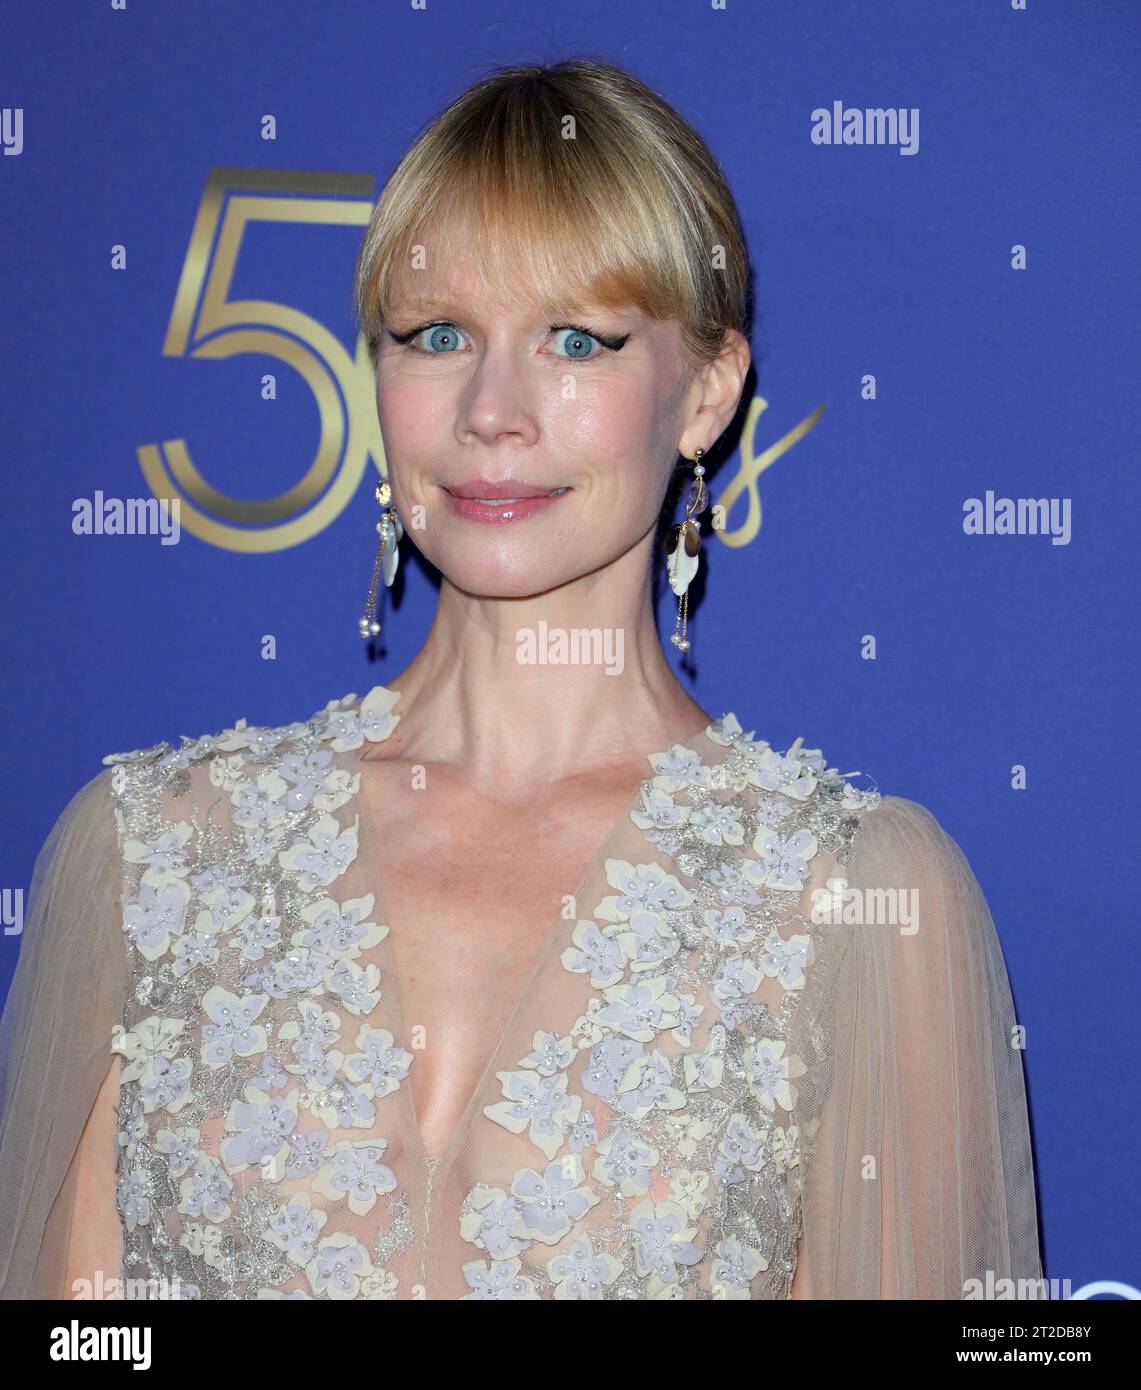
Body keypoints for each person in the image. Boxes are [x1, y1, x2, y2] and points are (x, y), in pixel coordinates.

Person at [0, 58, 1041, 1300]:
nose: (493, 410)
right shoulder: (150, 855)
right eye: (438, 336)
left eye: (575, 340)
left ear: (706, 391)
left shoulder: (856, 899)